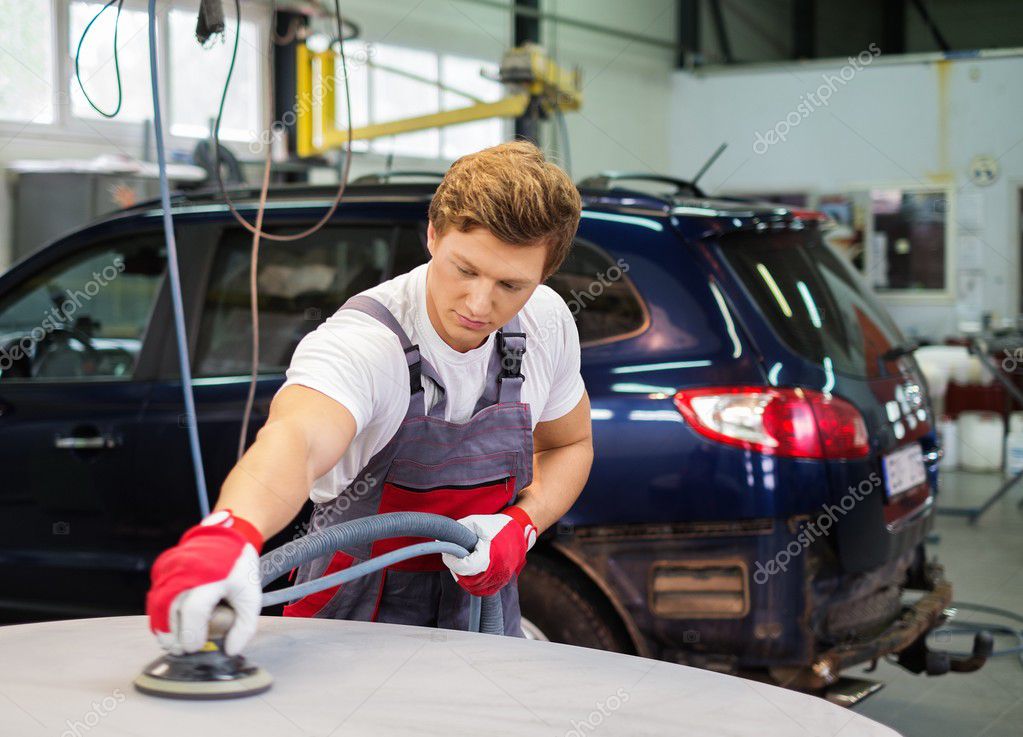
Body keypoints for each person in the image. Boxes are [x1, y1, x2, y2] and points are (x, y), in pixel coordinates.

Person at [146, 140, 593, 654]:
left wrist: (524, 523)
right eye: (464, 270)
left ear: (543, 277)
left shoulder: (546, 322)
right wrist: (230, 531)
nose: (478, 303)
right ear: (432, 234)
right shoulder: (368, 340)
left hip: (479, 608)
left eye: (511, 285)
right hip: (350, 619)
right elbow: (299, 437)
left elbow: (568, 445)